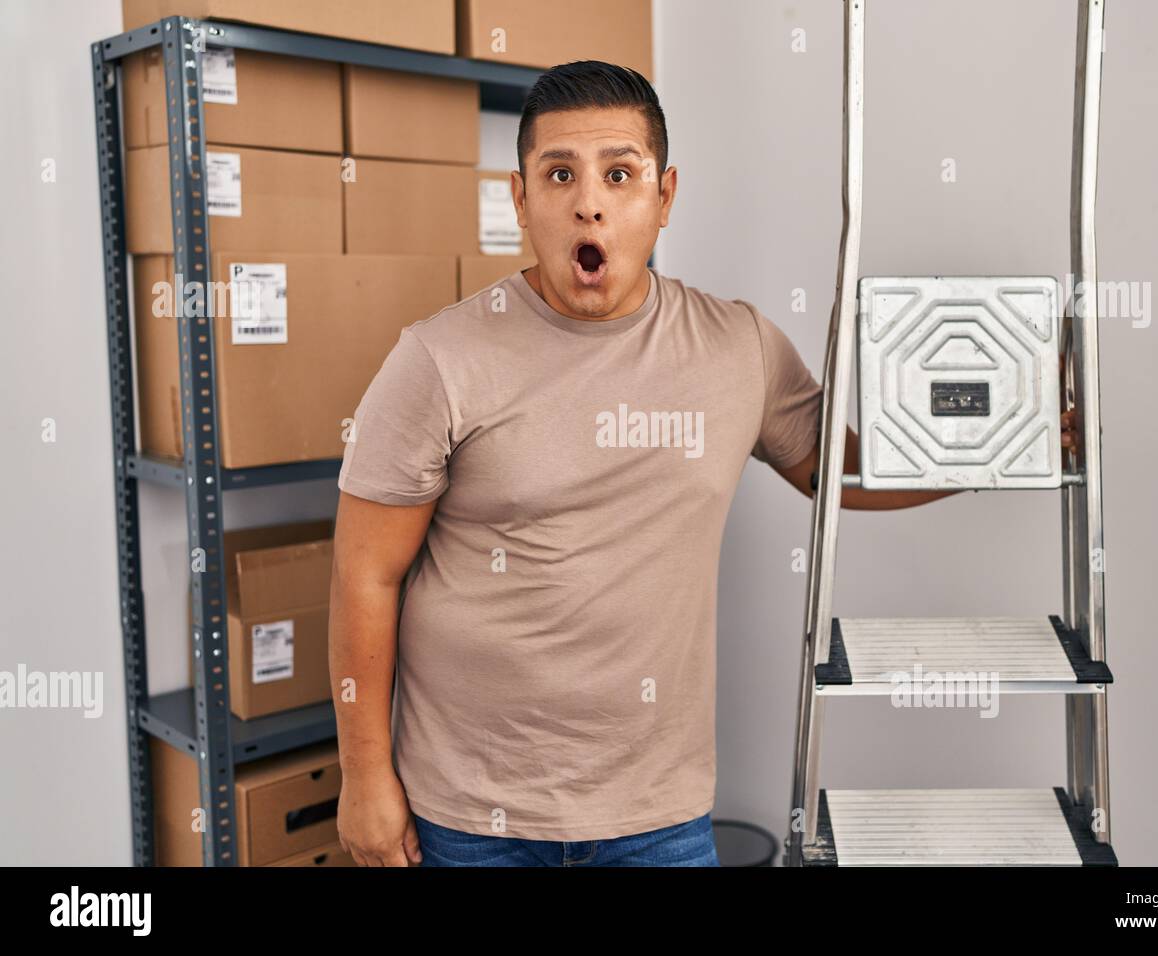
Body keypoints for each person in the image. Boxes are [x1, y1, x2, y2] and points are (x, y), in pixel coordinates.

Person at [328, 60, 1078, 867]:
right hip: (472, 816)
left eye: (620, 174)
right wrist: (365, 777)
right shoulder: (438, 359)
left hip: (659, 815)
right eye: (559, 174)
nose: (590, 200)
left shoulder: (738, 349)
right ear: (522, 199)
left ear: (664, 197)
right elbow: (365, 575)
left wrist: (1003, 443)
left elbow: (845, 475)